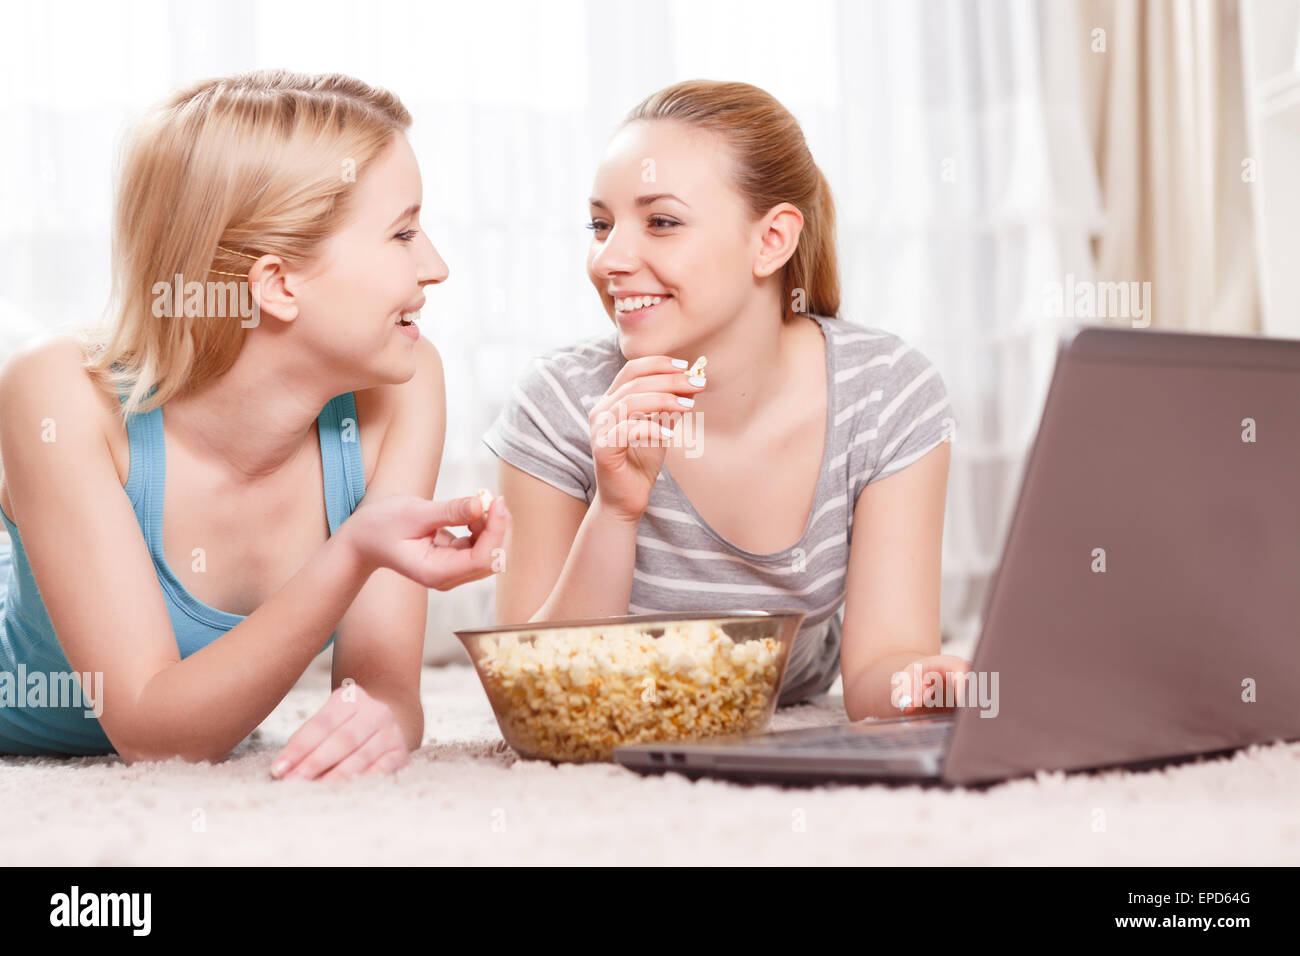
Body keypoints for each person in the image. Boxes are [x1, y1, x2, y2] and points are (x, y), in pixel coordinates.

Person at [0, 70, 509, 778]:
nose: (437, 266)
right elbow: (151, 731)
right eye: (402, 233)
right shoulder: (59, 393)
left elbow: (383, 692)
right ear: (276, 284)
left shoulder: (406, 386)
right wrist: (354, 551)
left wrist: (380, 725)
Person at [484, 80, 968, 721]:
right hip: (630, 696)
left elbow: (882, 673)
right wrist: (615, 512)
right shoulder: (558, 402)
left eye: (661, 222)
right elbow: (533, 694)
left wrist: (942, 684)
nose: (609, 259)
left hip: (793, 688)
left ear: (771, 241)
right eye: (600, 225)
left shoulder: (884, 392)